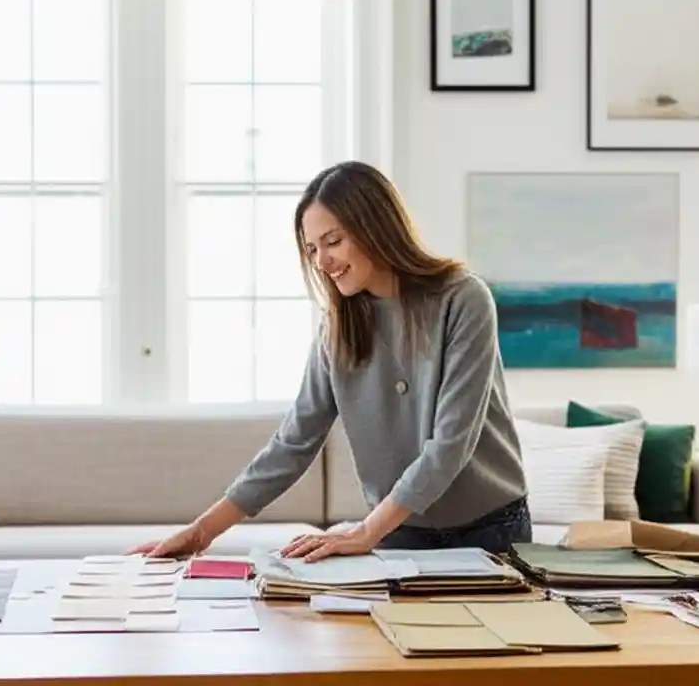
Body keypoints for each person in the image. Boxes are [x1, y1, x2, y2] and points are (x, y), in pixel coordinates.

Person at [129, 161, 529, 563]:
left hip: (491, 529)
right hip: (400, 533)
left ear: (376, 227)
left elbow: (450, 445)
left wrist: (365, 532)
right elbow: (294, 443)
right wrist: (201, 532)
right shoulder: (337, 327)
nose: (321, 262)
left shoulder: (463, 299)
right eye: (312, 249)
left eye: (332, 241)